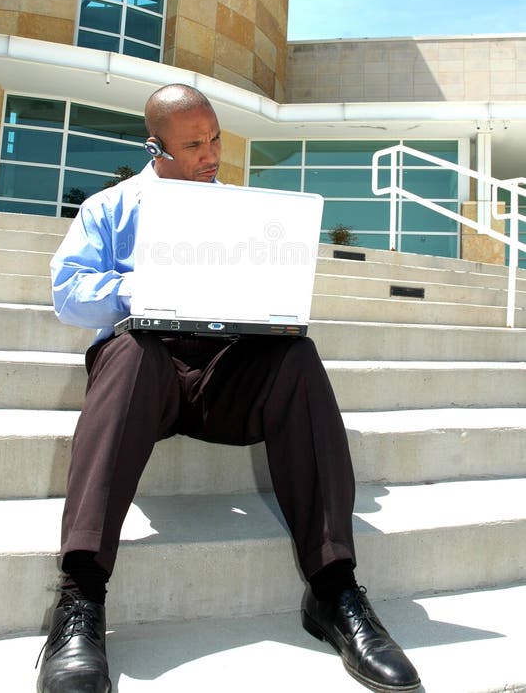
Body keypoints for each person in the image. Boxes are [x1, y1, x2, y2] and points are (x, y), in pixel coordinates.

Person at [36, 84, 420, 693]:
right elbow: (68, 295)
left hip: (225, 374)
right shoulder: (110, 208)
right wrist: (148, 286)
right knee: (131, 349)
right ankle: (79, 600)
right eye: (193, 145)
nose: (211, 154)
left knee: (296, 356)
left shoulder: (244, 212)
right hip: (146, 377)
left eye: (215, 138)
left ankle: (334, 591)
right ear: (156, 147)